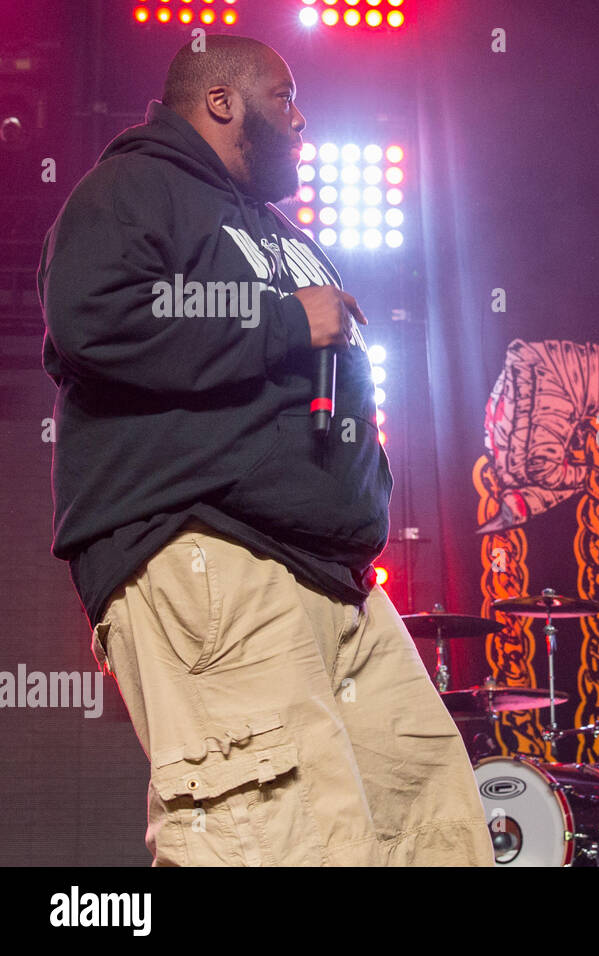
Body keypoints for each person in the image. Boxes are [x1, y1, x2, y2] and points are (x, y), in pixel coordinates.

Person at [39, 35, 492, 866]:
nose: (301, 117)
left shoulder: (276, 231)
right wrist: (286, 323)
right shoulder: (134, 188)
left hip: (335, 578)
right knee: (276, 845)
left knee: (434, 833)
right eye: (284, 98)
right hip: (210, 550)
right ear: (221, 100)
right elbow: (96, 322)